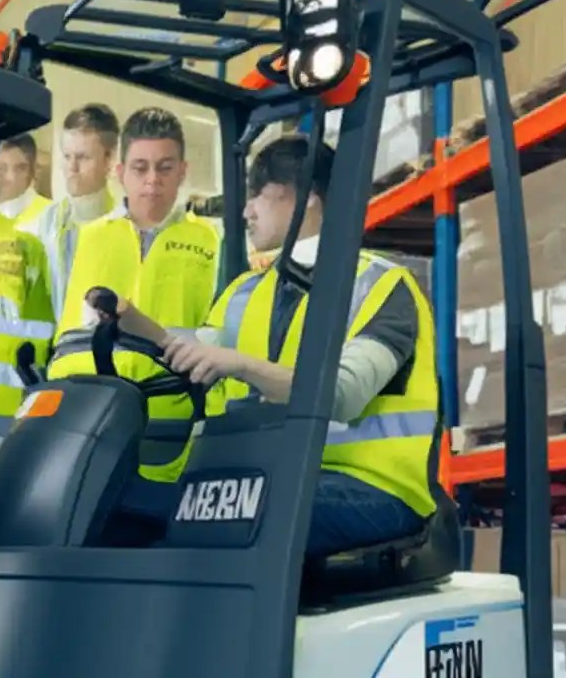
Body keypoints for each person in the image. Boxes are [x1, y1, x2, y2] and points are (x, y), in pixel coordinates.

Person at [113, 135, 438, 557]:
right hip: (266, 473)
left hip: (368, 486)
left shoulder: (383, 287)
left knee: (231, 514)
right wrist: (132, 321)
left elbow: (340, 393)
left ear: (308, 199)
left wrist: (238, 364)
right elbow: (195, 354)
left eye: (259, 195)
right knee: (119, 502)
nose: (246, 210)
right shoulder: (247, 291)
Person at [48, 107, 221, 481]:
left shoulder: (211, 240)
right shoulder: (84, 237)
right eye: (140, 168)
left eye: (165, 167)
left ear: (183, 171)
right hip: (87, 415)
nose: (152, 181)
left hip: (171, 416)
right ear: (120, 172)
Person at [0, 134, 54, 455]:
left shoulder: (48, 218)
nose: (8, 177)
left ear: (32, 170)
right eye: (1, 167)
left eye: (18, 168)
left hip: (23, 384)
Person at [19, 103, 121, 319]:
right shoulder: (44, 225)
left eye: (83, 157)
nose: (71, 168)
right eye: (66, 156)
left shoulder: (127, 225)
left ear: (109, 159)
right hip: (58, 349)